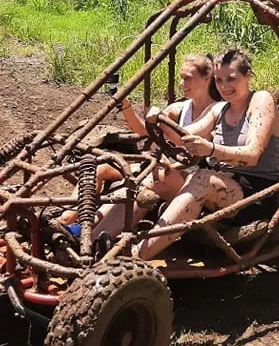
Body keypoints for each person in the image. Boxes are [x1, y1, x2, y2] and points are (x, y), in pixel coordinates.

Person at [132, 47, 279, 261]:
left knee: (201, 178)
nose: (224, 87)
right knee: (161, 176)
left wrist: (211, 149)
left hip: (255, 194)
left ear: (247, 75)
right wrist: (161, 121)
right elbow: (184, 138)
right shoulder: (219, 109)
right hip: (222, 186)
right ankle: (98, 243)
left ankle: (136, 257)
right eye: (219, 80)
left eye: (231, 79)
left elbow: (252, 154)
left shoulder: (260, 100)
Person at [61, 53, 218, 226]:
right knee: (100, 168)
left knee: (138, 181)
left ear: (207, 78)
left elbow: (192, 149)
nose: (181, 84)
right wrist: (125, 105)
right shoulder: (180, 109)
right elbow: (143, 130)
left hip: (189, 177)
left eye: (187, 79)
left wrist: (168, 160)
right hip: (161, 167)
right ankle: (66, 219)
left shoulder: (216, 112)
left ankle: (88, 229)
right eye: (180, 78)